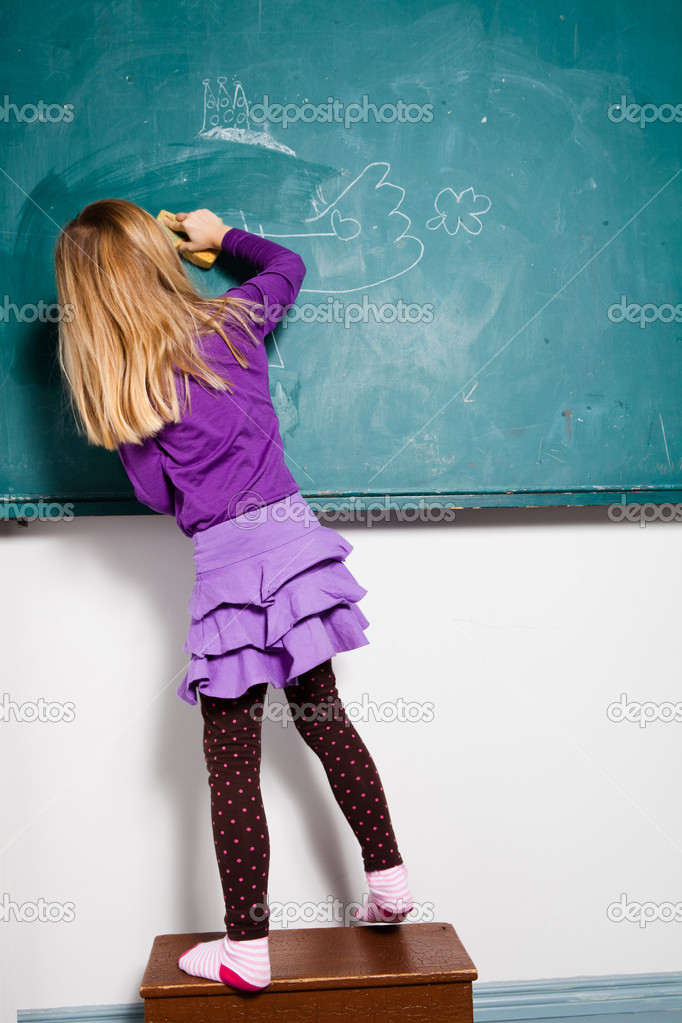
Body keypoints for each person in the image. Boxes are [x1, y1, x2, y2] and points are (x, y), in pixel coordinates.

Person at [54, 199, 413, 991]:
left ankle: (246, 947)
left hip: (228, 568)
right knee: (325, 719)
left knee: (231, 764)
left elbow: (158, 497)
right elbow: (290, 266)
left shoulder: (130, 389)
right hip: (295, 541)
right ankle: (389, 881)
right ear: (157, 256)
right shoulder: (231, 322)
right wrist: (223, 238)